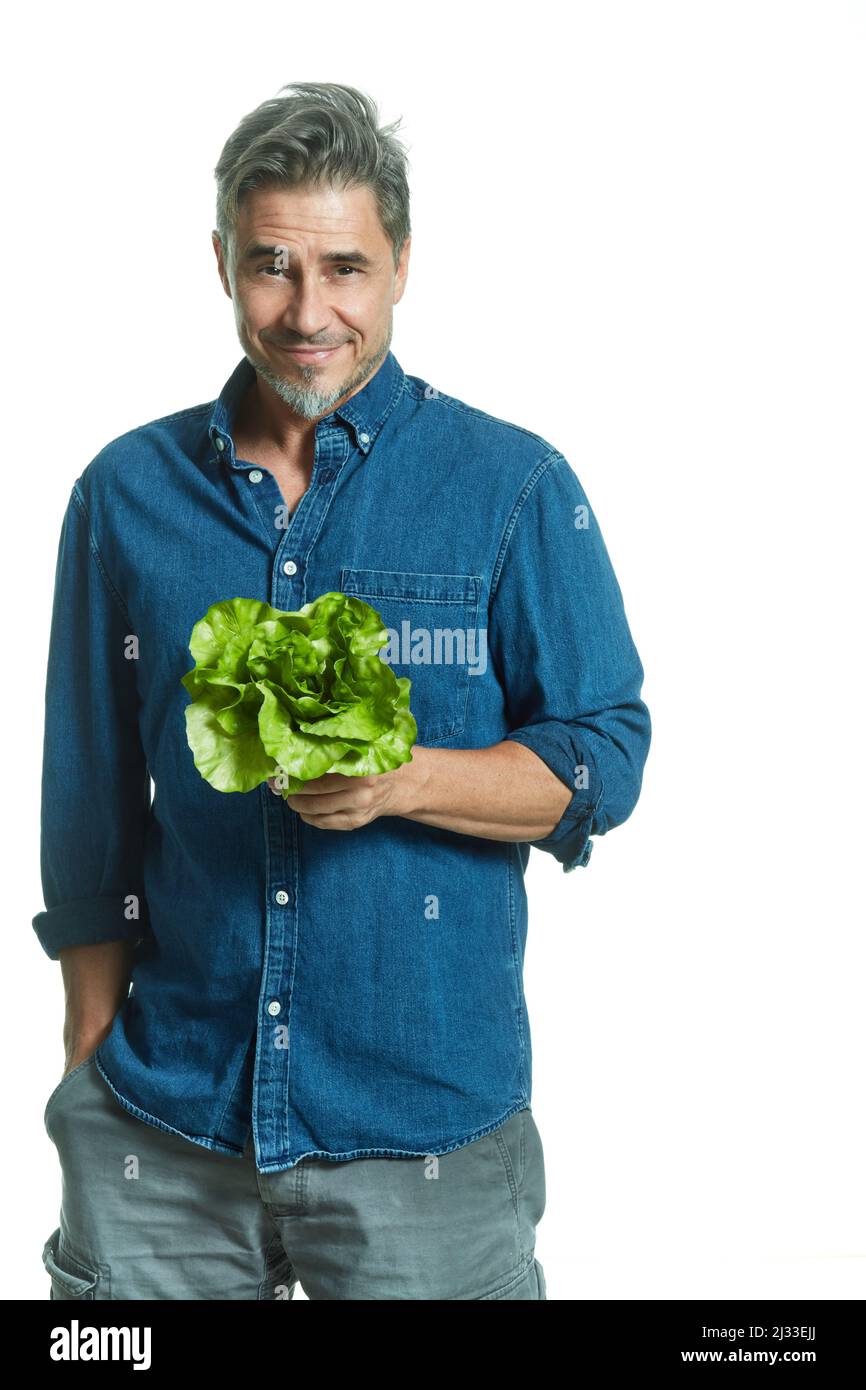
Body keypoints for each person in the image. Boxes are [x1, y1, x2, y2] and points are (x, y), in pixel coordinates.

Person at [34, 81, 651, 1301]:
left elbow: (604, 757)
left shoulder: (512, 485)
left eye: (344, 268)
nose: (308, 312)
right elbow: (88, 792)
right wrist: (88, 1046)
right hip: (164, 1117)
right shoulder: (125, 493)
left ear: (401, 265)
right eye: (270, 265)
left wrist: (402, 779)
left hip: (426, 1133)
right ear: (219, 260)